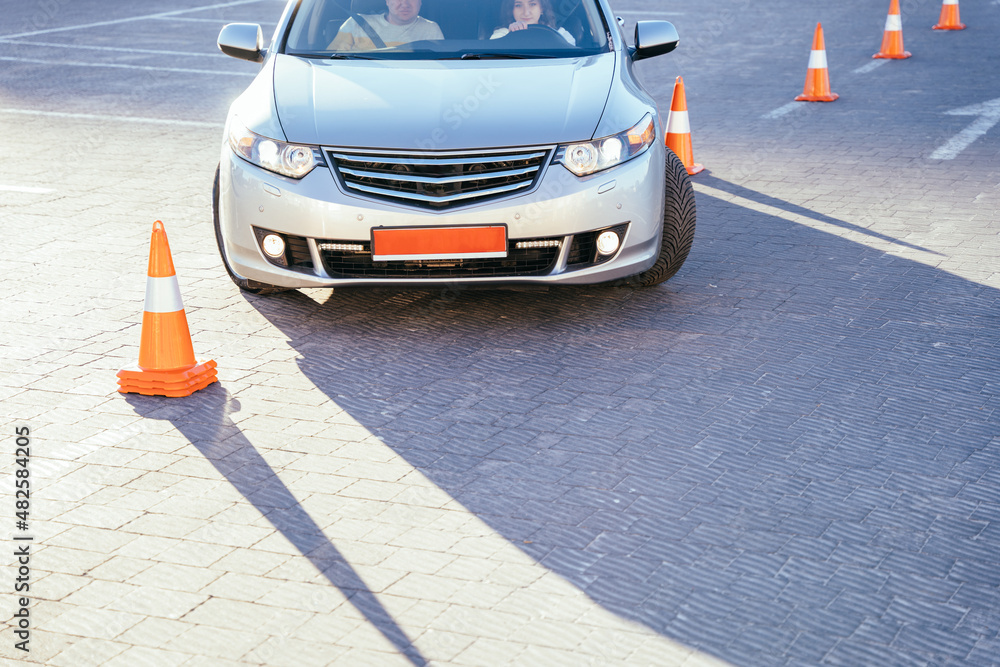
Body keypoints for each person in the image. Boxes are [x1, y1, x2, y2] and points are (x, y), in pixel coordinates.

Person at [329, 0, 443, 51]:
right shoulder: (356, 23)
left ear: (420, 2)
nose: (405, 4)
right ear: (387, 1)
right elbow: (331, 60)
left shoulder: (431, 29)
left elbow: (440, 65)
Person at [490, 0, 575, 45]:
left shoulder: (559, 34)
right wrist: (511, 36)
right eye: (518, 5)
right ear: (511, 10)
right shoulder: (503, 33)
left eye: (532, 4)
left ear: (542, 8)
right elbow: (493, 53)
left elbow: (572, 55)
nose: (526, 12)